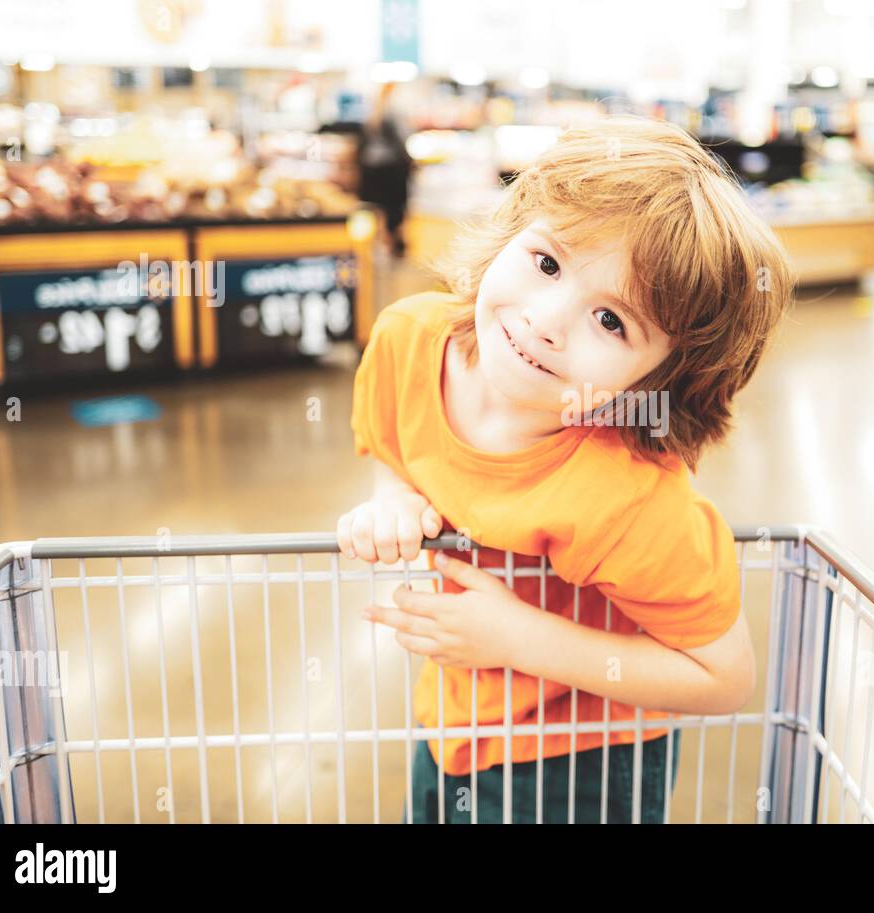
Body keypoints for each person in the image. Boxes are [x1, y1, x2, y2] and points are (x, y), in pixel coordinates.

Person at [337, 117, 794, 823]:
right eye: (548, 262)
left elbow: (724, 675)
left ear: (661, 379)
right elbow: (391, 447)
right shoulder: (409, 342)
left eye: (612, 321)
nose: (547, 319)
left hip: (585, 760)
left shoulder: (630, 499)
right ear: (512, 226)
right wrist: (393, 497)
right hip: (455, 715)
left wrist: (513, 636)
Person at [356, 82, 413, 257]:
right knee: (394, 209)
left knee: (373, 209)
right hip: (391, 169)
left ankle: (374, 244)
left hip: (371, 169)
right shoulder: (392, 113)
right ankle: (393, 243)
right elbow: (401, 140)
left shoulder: (371, 113)